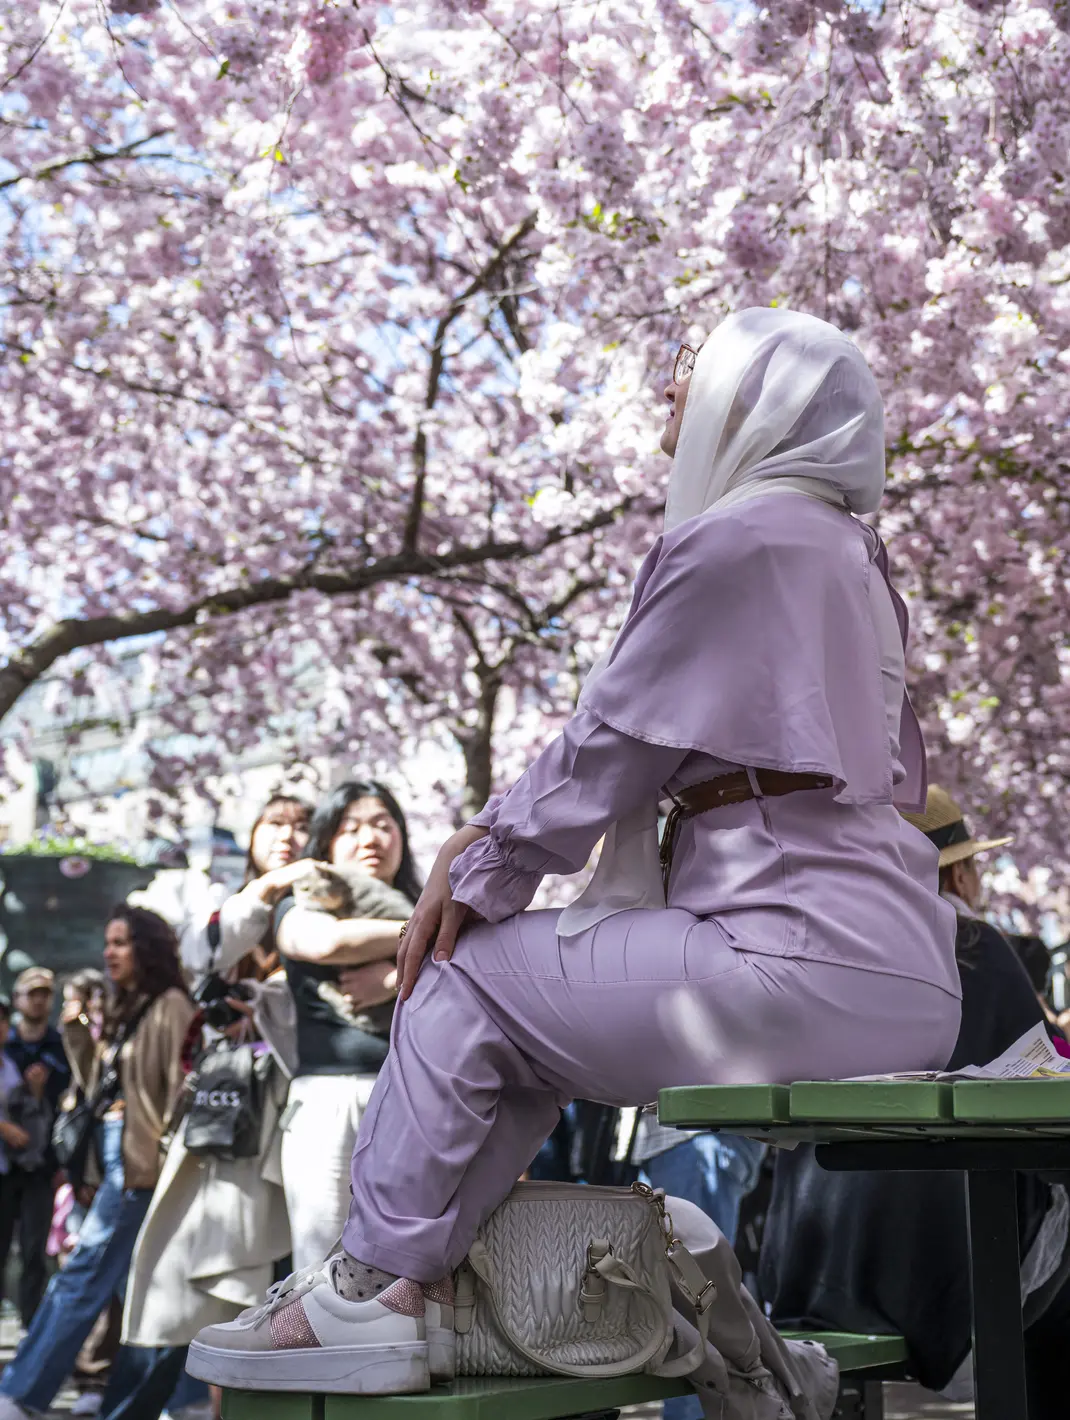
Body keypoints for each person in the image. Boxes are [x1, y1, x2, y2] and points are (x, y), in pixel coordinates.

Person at [188, 308, 960, 1394]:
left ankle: (370, 1287)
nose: (671, 394)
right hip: (908, 970)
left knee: (463, 974)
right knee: (515, 1026)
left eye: (694, 371)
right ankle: (415, 1282)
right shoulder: (851, 554)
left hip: (789, 953)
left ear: (756, 402)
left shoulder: (737, 537)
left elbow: (614, 740)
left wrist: (484, 863)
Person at [759, 785, 1070, 1417]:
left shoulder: (825, 949)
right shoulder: (974, 944)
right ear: (955, 871)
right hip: (938, 1267)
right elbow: (1041, 1077)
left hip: (813, 1267)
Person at [110, 795, 314, 1420]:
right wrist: (264, 894)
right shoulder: (232, 909)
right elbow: (201, 957)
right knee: (220, 1283)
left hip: (306, 1117)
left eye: (302, 826)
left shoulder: (328, 908)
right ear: (251, 835)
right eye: (275, 824)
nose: (288, 836)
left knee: (293, 1280)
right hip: (235, 1127)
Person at [0, 906, 194, 1420]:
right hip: (114, 1155)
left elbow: (180, 1093)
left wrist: (160, 1158)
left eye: (121, 942)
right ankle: (175, 1399)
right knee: (131, 1281)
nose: (109, 952)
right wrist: (79, 1037)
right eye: (107, 942)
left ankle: (23, 1392)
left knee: (84, 1274)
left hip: (140, 1164)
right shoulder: (131, 1007)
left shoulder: (171, 1005)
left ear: (147, 948)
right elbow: (94, 1089)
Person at [271, 780, 419, 1271]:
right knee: (322, 1269)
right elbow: (326, 943)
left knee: (409, 1268)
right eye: (351, 828)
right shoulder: (300, 906)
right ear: (327, 845)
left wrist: (395, 978)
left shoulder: (428, 902)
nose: (370, 838)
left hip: (416, 1098)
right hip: (329, 1102)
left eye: (382, 824)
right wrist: (426, 931)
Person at [0, 966, 70, 1326]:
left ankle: (30, 1327)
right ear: (17, 999)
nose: (39, 1001)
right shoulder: (6, 1046)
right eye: (32, 993)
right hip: (4, 1165)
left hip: (42, 1166)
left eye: (45, 994)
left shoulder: (61, 1047)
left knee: (34, 1251)